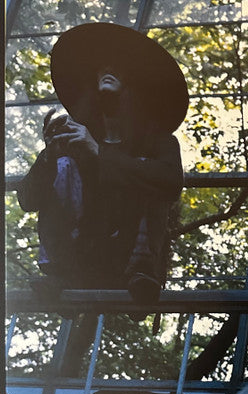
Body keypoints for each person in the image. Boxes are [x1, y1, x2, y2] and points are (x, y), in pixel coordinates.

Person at [17, 22, 189, 304]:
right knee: (65, 165)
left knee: (147, 172)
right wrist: (49, 157)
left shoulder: (158, 142)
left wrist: (99, 153)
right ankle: (59, 273)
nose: (108, 69)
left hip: (131, 268)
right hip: (81, 263)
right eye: (102, 66)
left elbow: (171, 183)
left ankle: (141, 270)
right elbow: (27, 199)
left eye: (119, 66)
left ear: (134, 81)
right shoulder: (73, 139)